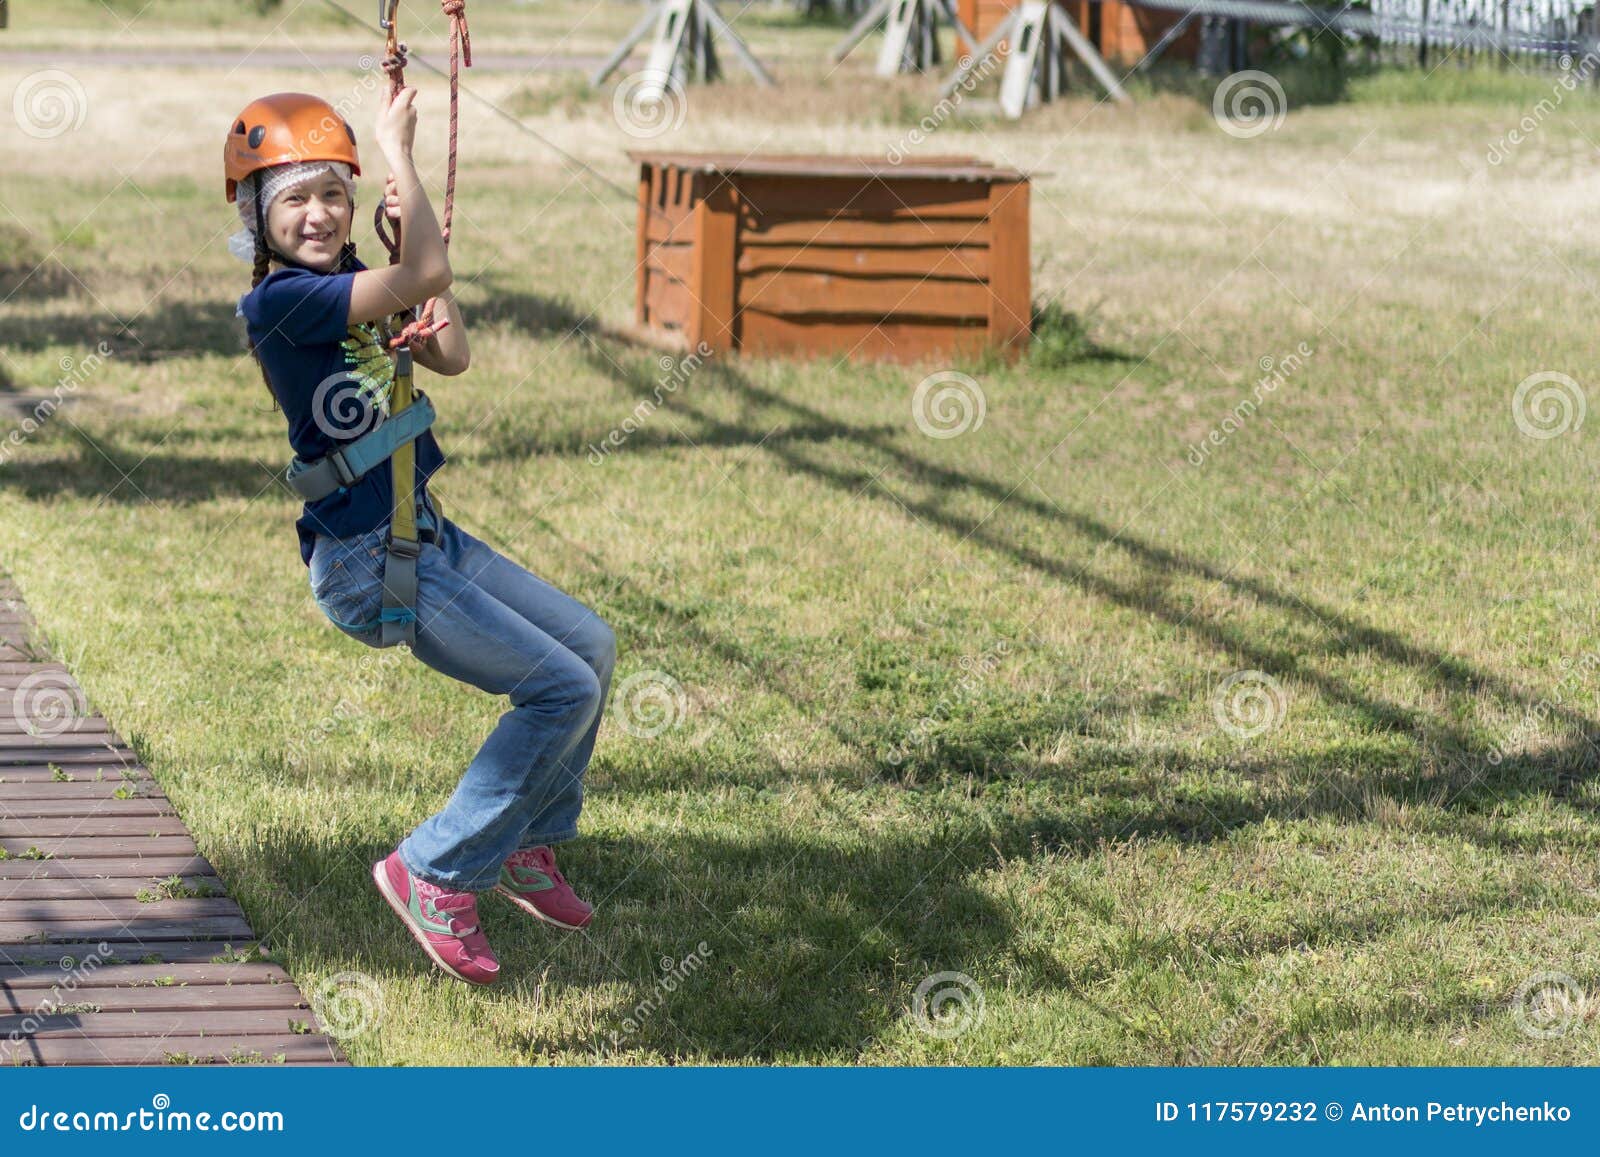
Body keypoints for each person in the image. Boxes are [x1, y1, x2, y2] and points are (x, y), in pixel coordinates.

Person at [227, 87, 615, 986]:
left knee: (590, 646)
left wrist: (410, 230)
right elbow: (427, 280)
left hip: (419, 527)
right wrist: (401, 153)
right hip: (369, 561)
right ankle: (432, 869)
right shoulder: (285, 304)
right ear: (258, 218)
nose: (318, 214)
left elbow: (450, 349)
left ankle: (522, 843)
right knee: (557, 691)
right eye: (294, 199)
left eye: (332, 194)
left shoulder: (345, 285)